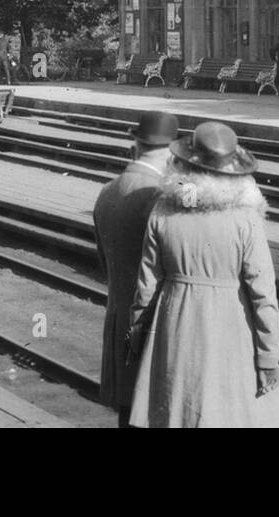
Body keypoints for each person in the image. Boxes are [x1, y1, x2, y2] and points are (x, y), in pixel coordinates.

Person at [126, 121, 279, 428]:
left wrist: (137, 336)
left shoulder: (164, 211)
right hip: (234, 330)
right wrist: (269, 358)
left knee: (178, 411)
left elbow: (146, 288)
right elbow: (264, 296)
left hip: (175, 328)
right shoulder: (246, 219)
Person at [92, 109, 179, 428]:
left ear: (136, 145)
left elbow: (103, 261)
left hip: (119, 321)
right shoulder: (159, 197)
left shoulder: (107, 191)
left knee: (129, 417)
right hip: (154, 328)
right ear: (171, 154)